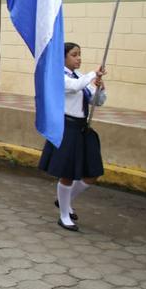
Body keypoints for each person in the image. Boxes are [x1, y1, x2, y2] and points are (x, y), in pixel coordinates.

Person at [39, 42, 107, 231]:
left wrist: (100, 87)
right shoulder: (58, 76)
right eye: (74, 55)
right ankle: (64, 215)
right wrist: (93, 74)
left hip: (82, 129)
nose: (78, 58)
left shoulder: (80, 76)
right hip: (67, 127)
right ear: (63, 58)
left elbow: (97, 101)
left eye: (79, 54)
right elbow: (75, 87)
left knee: (92, 173)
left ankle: (65, 201)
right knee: (67, 174)